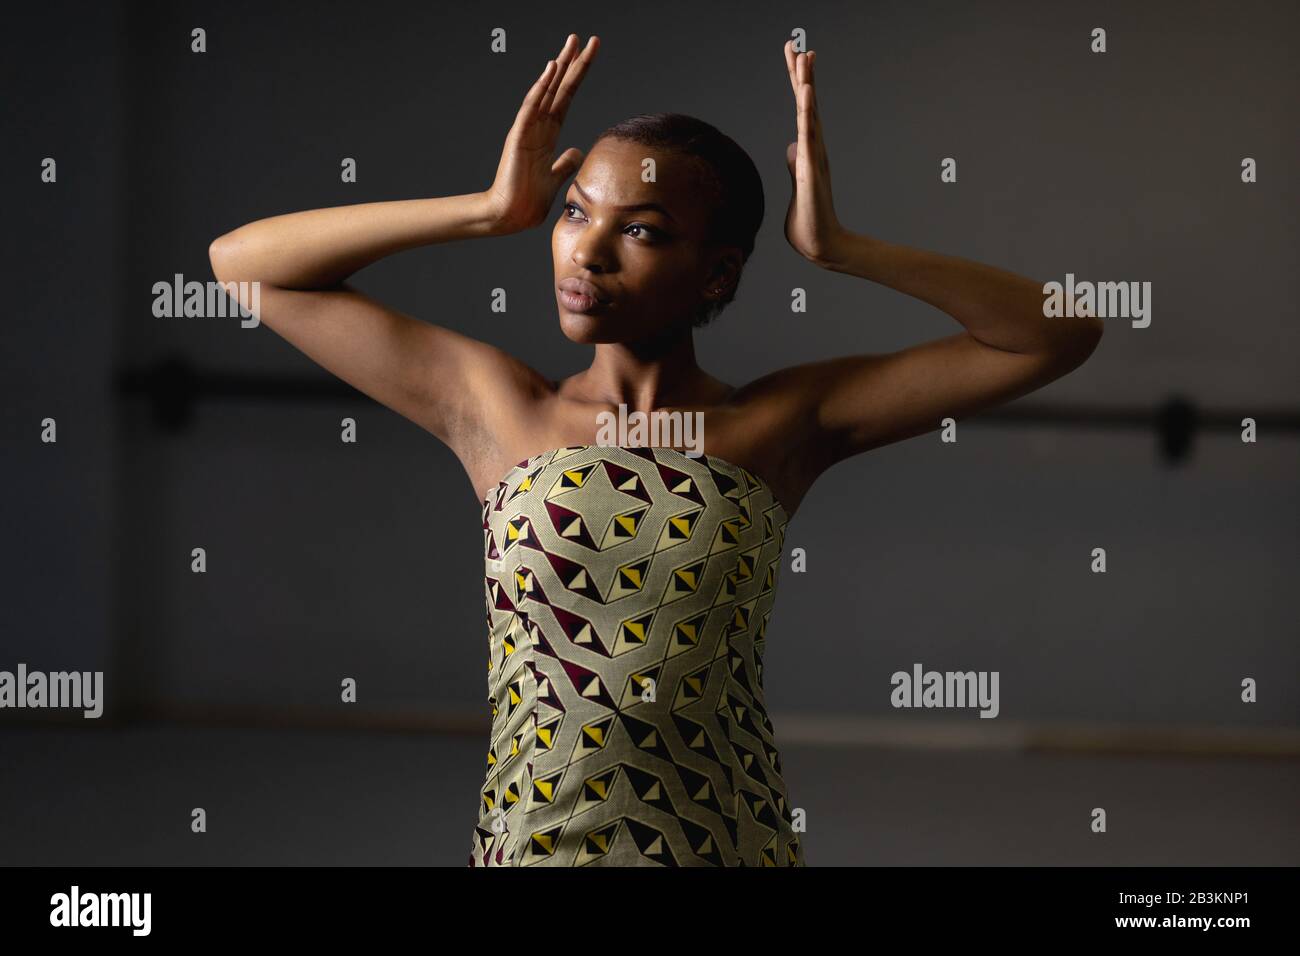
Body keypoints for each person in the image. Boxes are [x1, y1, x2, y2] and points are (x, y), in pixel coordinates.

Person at [209, 34, 1103, 866]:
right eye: (573, 213)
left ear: (718, 273)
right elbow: (243, 262)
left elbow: (1056, 331)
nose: (587, 251)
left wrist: (843, 250)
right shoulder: (496, 405)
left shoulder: (780, 424)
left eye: (639, 230)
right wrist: (485, 211)